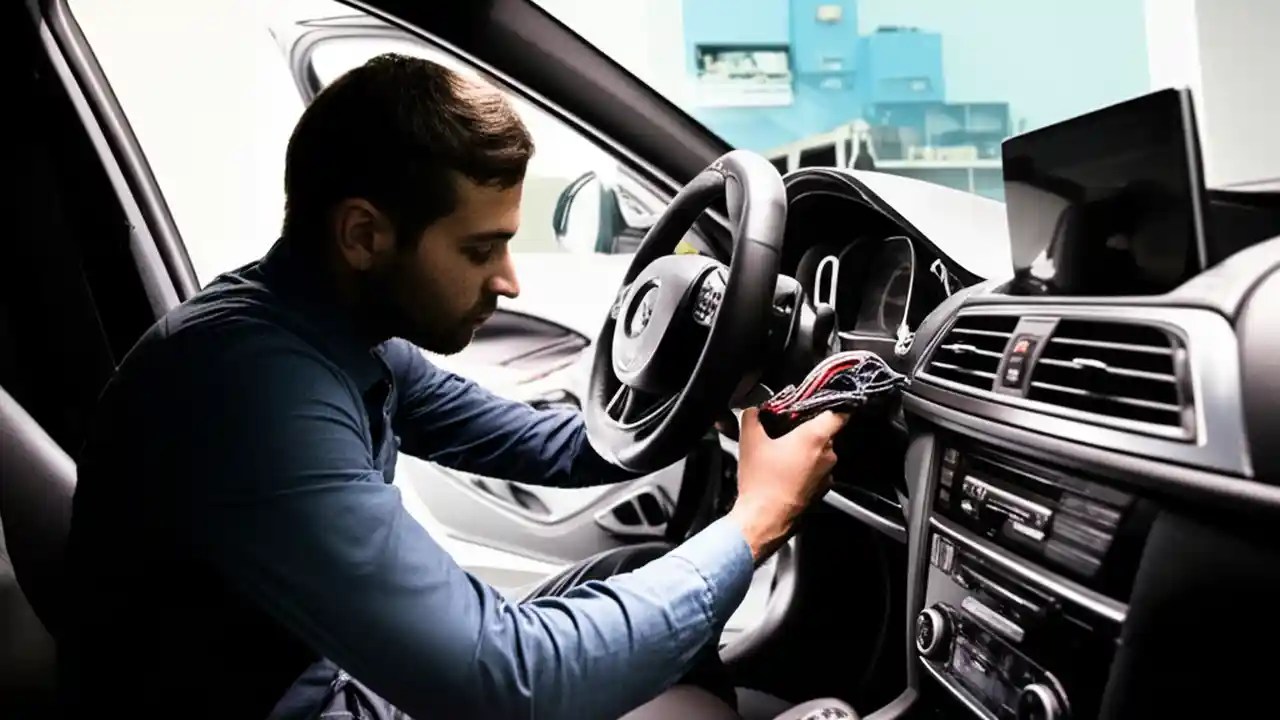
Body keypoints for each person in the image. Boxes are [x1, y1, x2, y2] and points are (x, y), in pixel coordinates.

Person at [57, 53, 853, 719]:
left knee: (629, 572)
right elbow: (501, 681)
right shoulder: (259, 397)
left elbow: (562, 443)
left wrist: (708, 379)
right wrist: (756, 520)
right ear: (364, 235)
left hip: (330, 680)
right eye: (481, 250)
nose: (508, 281)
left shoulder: (328, 330)